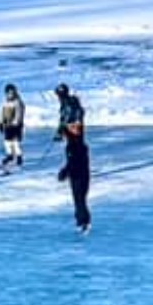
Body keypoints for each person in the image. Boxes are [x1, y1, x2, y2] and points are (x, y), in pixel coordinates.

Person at [53, 82, 91, 233]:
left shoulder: (71, 108)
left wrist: (65, 170)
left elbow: (71, 125)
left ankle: (83, 221)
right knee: (78, 193)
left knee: (78, 192)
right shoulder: (68, 106)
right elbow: (64, 122)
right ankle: (81, 220)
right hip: (76, 150)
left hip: (77, 152)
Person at [0, 83, 26, 169]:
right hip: (7, 125)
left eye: (12, 93)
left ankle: (19, 157)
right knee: (7, 141)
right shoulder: (4, 102)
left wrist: (16, 123)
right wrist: (0, 123)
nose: (11, 95)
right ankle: (9, 155)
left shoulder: (18, 102)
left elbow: (19, 114)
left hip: (16, 126)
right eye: (9, 93)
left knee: (16, 142)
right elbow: (1, 113)